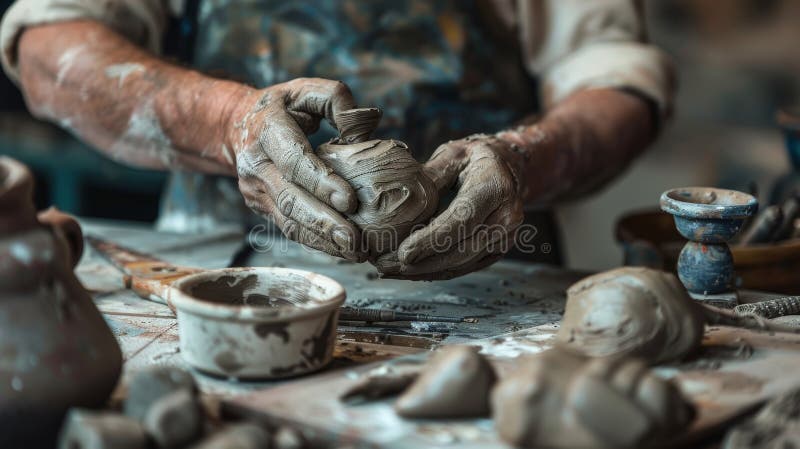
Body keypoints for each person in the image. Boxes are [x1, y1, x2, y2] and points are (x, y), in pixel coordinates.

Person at [0, 0, 673, 279]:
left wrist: (527, 157)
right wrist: (229, 123)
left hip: (487, 262)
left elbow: (617, 80)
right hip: (229, 263)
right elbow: (49, 43)